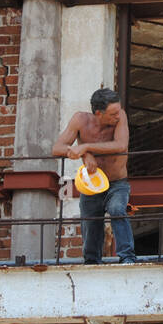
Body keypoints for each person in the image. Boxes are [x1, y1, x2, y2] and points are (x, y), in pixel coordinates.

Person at [53, 88, 136, 264]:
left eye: (118, 111)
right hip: (91, 184)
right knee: (90, 222)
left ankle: (127, 257)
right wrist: (85, 154)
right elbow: (57, 148)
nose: (117, 116)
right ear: (99, 113)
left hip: (117, 182)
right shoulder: (79, 120)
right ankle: (91, 261)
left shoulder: (121, 116)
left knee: (117, 209)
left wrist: (85, 147)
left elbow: (121, 145)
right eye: (112, 114)